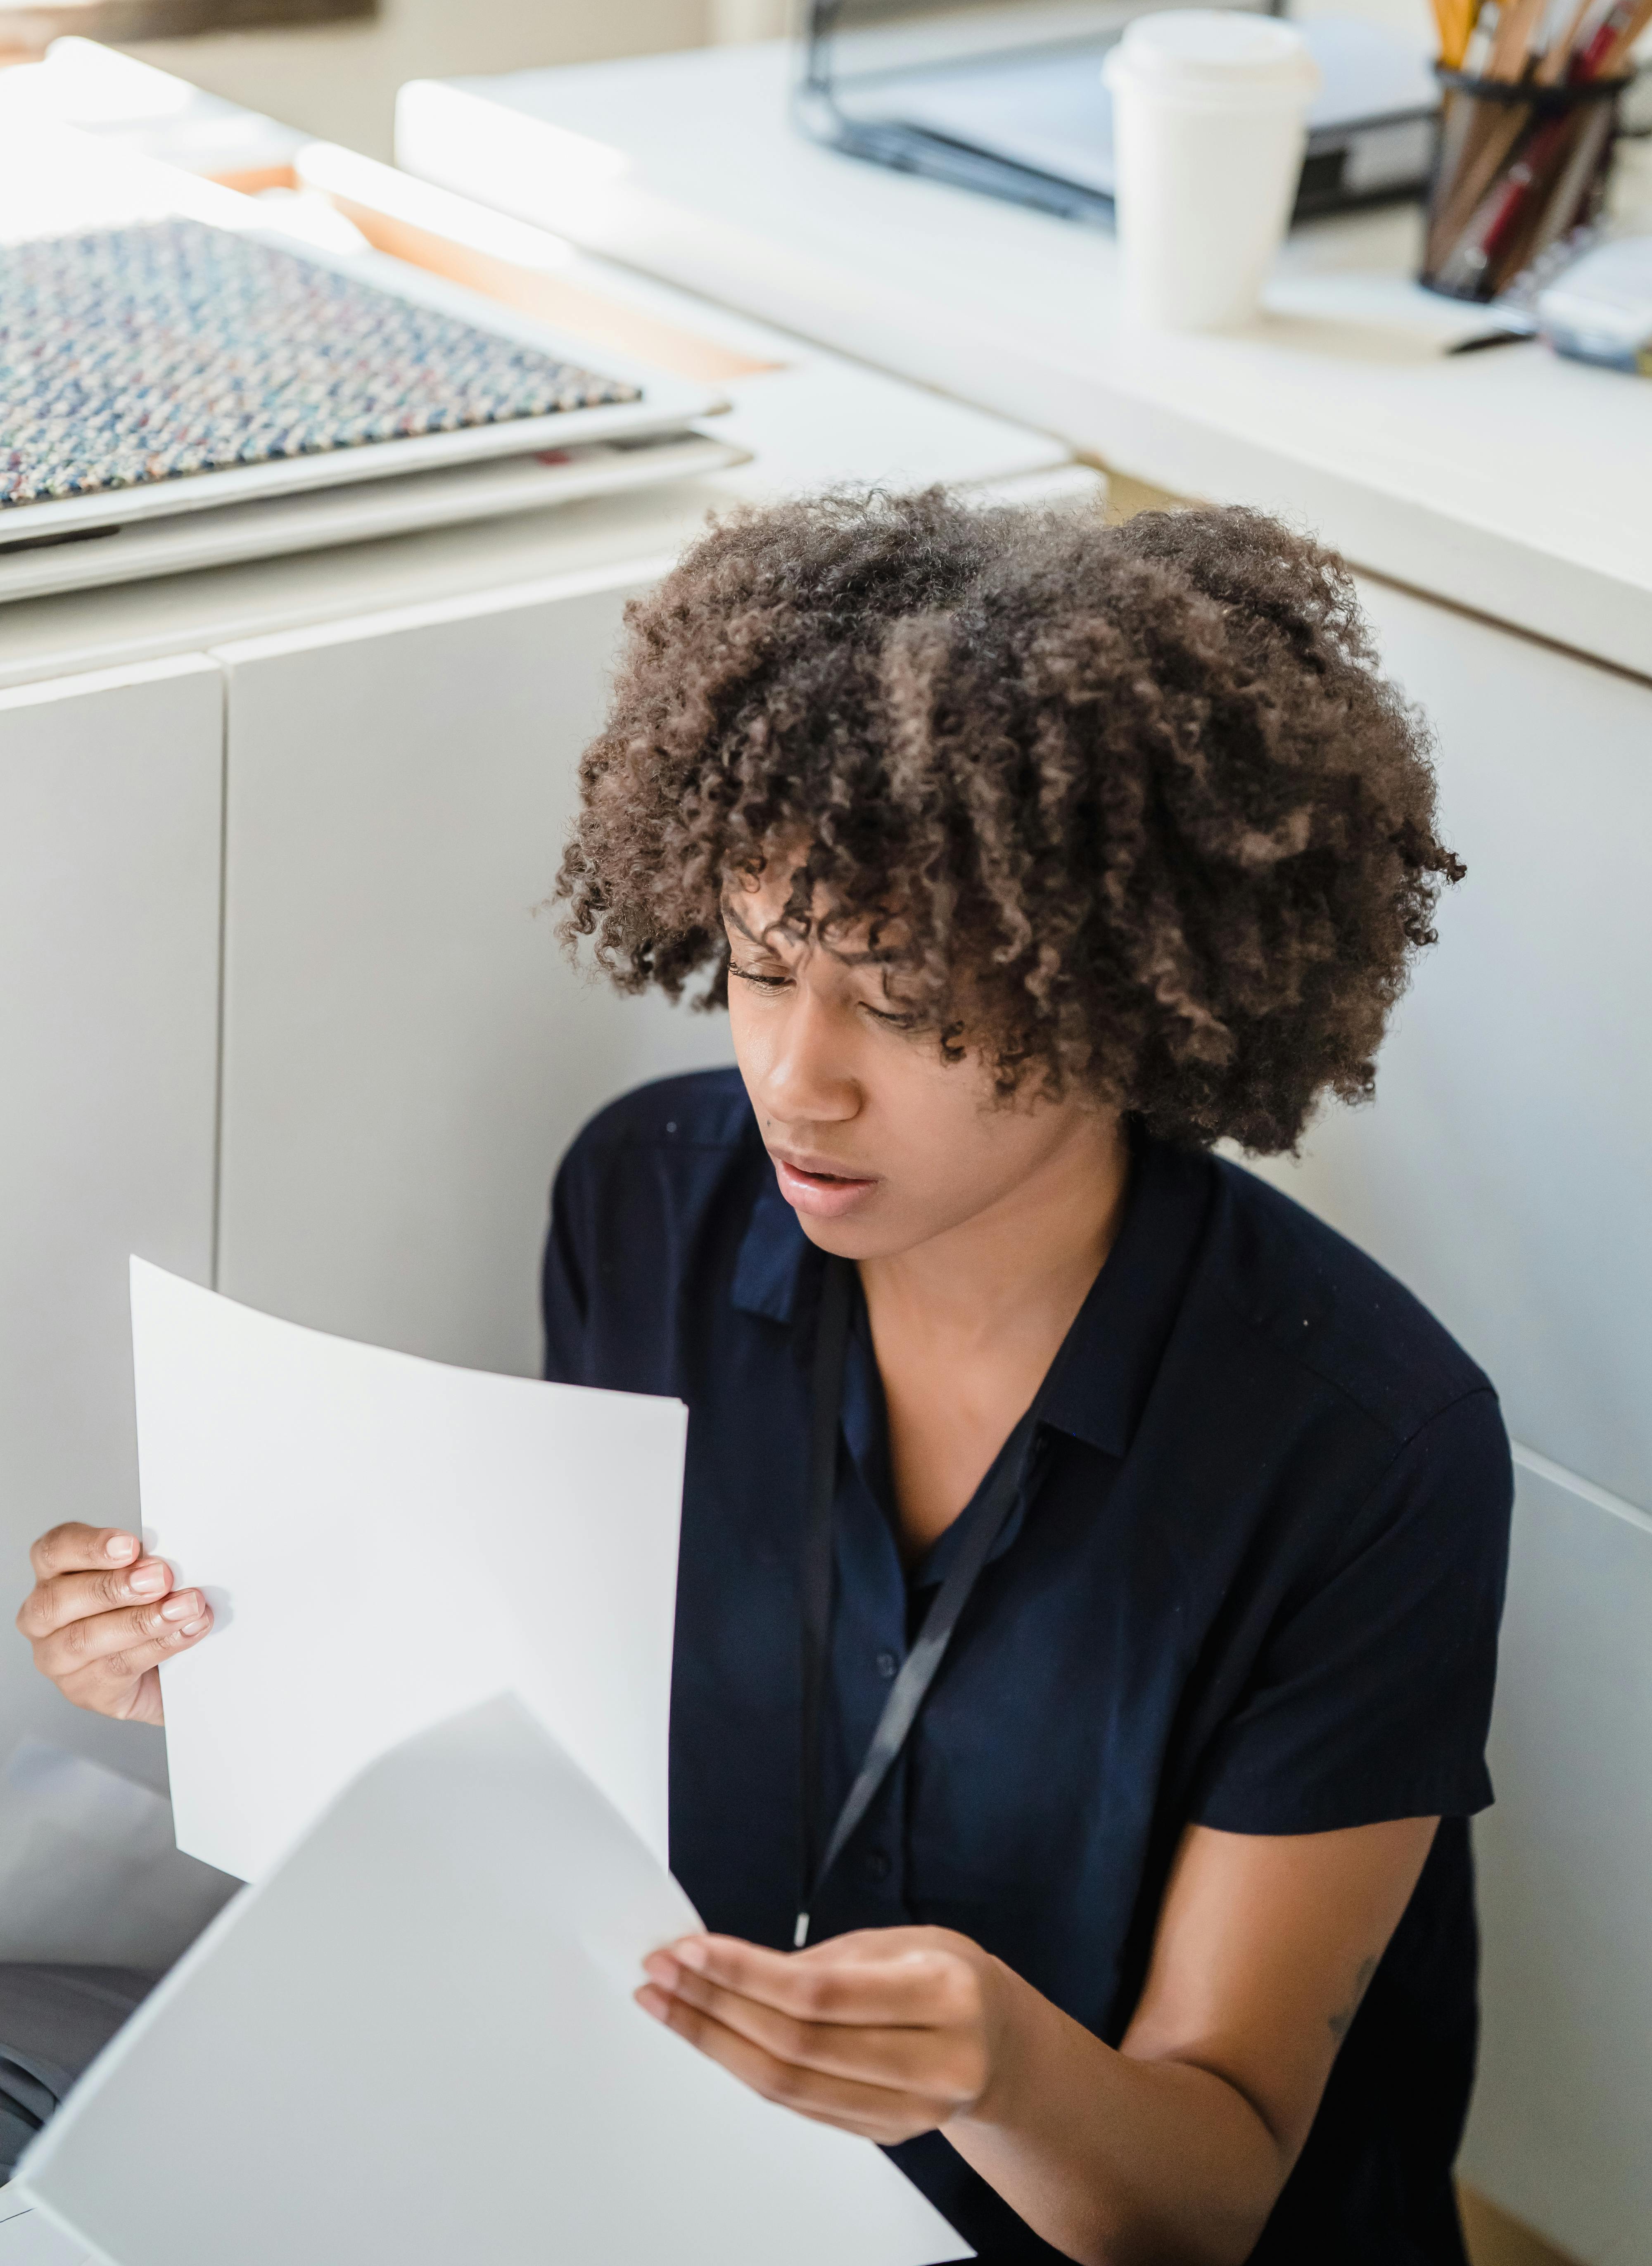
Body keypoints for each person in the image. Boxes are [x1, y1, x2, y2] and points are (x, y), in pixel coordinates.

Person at [18, 492, 1511, 2266]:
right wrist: (238, 1666)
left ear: (1111, 988)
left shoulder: (1366, 1447)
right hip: (662, 2176)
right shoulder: (645, 1198)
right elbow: (569, 1758)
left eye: (899, 1001)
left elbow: (1203, 2204)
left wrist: (1003, 2069)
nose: (797, 1080)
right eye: (757, 966)